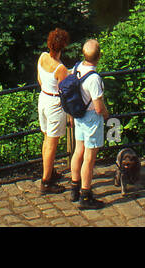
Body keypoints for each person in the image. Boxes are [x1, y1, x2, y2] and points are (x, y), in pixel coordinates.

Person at [68, 38, 109, 210]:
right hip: (92, 118)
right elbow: (98, 107)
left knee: (79, 151)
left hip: (79, 116)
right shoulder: (94, 78)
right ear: (99, 56)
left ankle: (74, 188)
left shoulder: (77, 68)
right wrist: (108, 116)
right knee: (89, 158)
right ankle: (86, 195)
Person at [36, 28, 71, 193]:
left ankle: (48, 171)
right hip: (55, 105)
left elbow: (40, 80)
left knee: (46, 139)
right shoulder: (61, 69)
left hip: (43, 99)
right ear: (63, 46)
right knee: (52, 143)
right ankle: (46, 182)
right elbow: (66, 91)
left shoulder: (42, 57)